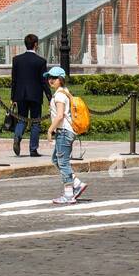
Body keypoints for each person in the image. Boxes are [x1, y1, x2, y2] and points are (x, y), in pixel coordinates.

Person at [46, 66, 87, 205]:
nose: (50, 80)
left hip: (63, 131)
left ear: (61, 79)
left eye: (54, 78)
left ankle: (69, 194)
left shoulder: (59, 95)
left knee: (62, 162)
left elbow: (59, 116)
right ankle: (77, 183)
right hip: (66, 131)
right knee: (56, 159)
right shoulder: (65, 92)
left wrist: (50, 130)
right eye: (49, 77)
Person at [10, 33, 50, 157]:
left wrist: (13, 97)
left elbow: (14, 80)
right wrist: (50, 97)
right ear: (36, 44)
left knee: (22, 119)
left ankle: (17, 136)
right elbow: (44, 81)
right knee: (35, 121)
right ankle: (33, 149)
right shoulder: (40, 61)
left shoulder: (17, 60)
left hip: (20, 94)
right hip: (35, 95)